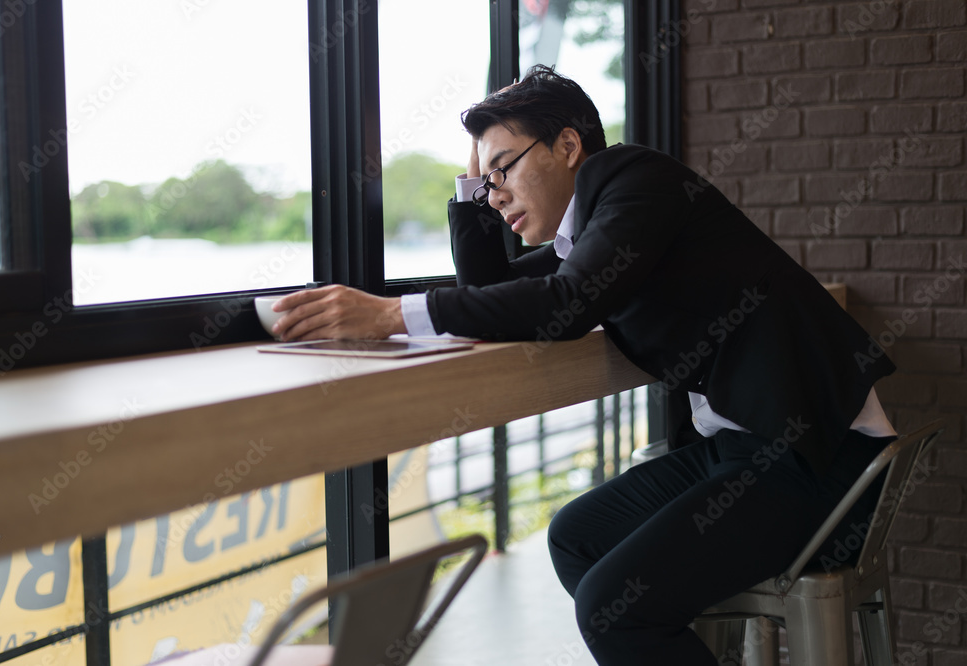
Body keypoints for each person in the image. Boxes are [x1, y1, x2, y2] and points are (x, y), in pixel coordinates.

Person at [270, 65, 897, 665]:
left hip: (819, 456)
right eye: (487, 183)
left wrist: (386, 316)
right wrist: (473, 185)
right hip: (745, 445)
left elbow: (566, 305)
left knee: (611, 610)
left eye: (504, 170)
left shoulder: (636, 180)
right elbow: (494, 289)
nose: (496, 198)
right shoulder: (592, 228)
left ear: (568, 145)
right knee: (577, 536)